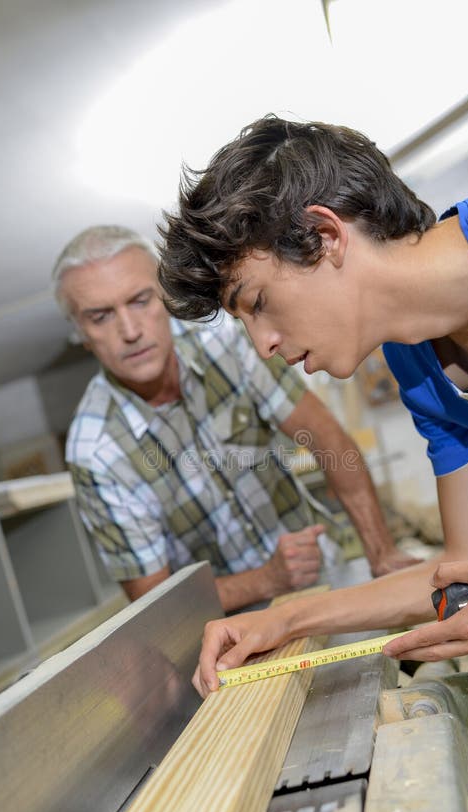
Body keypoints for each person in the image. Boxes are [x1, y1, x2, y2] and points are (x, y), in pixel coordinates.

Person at [157, 114, 468, 696]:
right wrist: (288, 619)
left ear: (325, 236)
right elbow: (467, 566)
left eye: (258, 302)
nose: (263, 345)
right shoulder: (416, 368)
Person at [52, 225, 414, 611]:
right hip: (222, 621)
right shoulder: (94, 453)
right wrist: (267, 580)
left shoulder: (224, 338)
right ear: (81, 334)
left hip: (324, 570)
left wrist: (382, 554)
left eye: (141, 300)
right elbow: (152, 599)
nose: (129, 331)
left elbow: (326, 438)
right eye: (100, 317)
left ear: (164, 296)